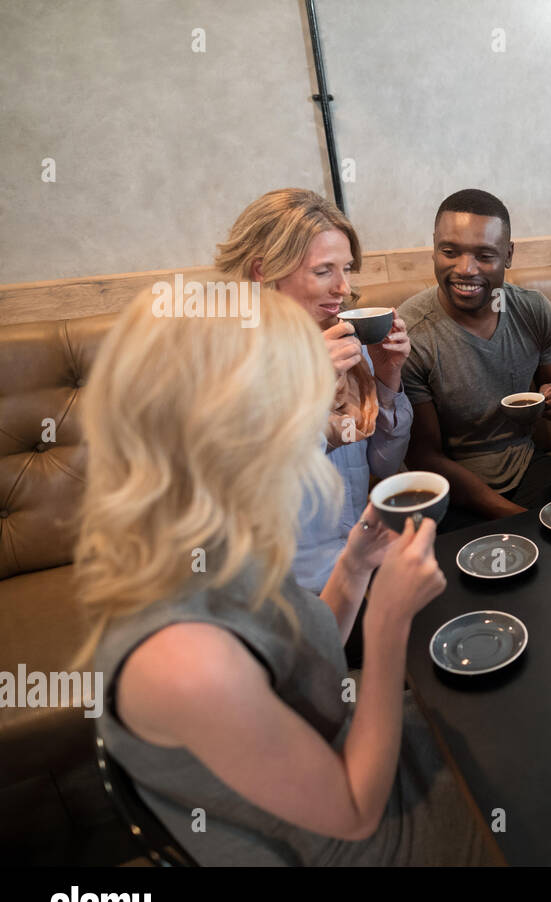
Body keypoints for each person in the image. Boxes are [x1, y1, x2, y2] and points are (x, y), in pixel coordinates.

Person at [80, 289, 491, 865]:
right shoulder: (184, 661)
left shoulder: (211, 540)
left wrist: (353, 567)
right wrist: (390, 622)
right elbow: (354, 811)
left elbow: (296, 658)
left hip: (352, 745)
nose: (323, 423)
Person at [215, 188, 412, 595]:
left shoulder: (346, 348)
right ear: (262, 271)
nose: (343, 287)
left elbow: (385, 464)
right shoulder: (227, 363)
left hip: (356, 558)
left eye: (348, 269)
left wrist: (389, 377)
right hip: (283, 586)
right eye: (324, 271)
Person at [398, 189, 551, 531]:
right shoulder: (411, 334)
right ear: (434, 248)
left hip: (526, 462)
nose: (465, 270)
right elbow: (424, 457)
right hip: (449, 486)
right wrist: (514, 516)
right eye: (450, 252)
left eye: (484, 255)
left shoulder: (533, 310)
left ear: (508, 254)